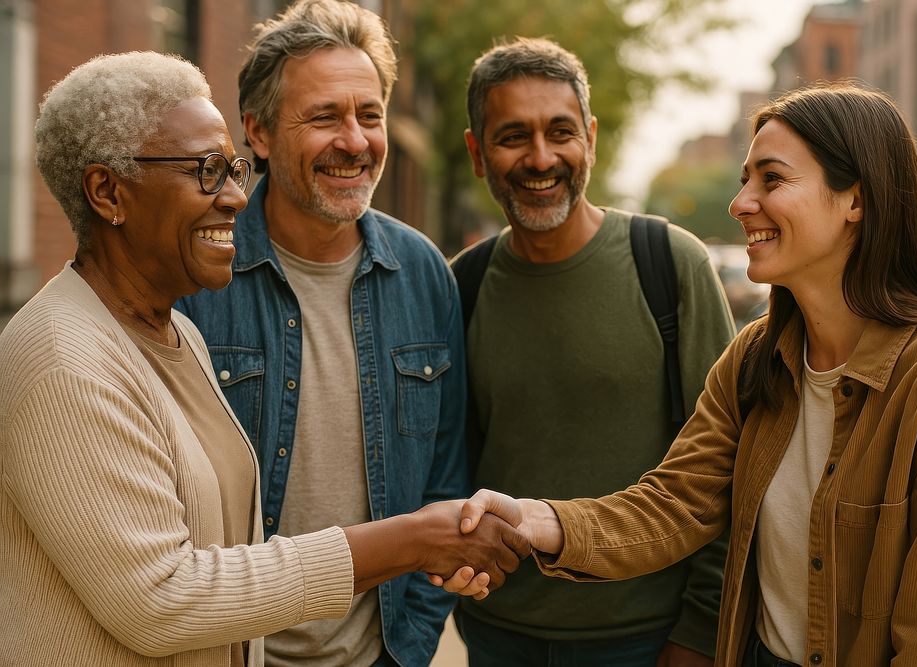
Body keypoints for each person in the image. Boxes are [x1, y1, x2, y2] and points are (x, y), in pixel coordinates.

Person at [0, 50, 527, 667]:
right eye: (205, 171)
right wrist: (407, 541)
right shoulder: (64, 361)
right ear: (107, 192)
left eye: (233, 170)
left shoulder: (174, 332)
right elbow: (163, 599)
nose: (234, 197)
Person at [454, 83, 917, 666]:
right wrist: (535, 519)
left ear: (856, 201)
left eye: (772, 179)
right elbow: (675, 504)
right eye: (745, 180)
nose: (740, 203)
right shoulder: (756, 357)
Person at [173, 2, 469, 666]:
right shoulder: (196, 273)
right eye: (325, 117)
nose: (356, 142)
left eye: (370, 115)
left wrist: (412, 642)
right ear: (258, 132)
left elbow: (445, 478)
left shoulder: (424, 272)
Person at [450, 37, 735, 667]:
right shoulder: (462, 284)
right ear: (476, 153)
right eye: (513, 136)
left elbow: (728, 464)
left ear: (591, 138)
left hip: (648, 638)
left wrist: (700, 631)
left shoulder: (669, 264)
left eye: (561, 132)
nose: (541, 157)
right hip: (498, 636)